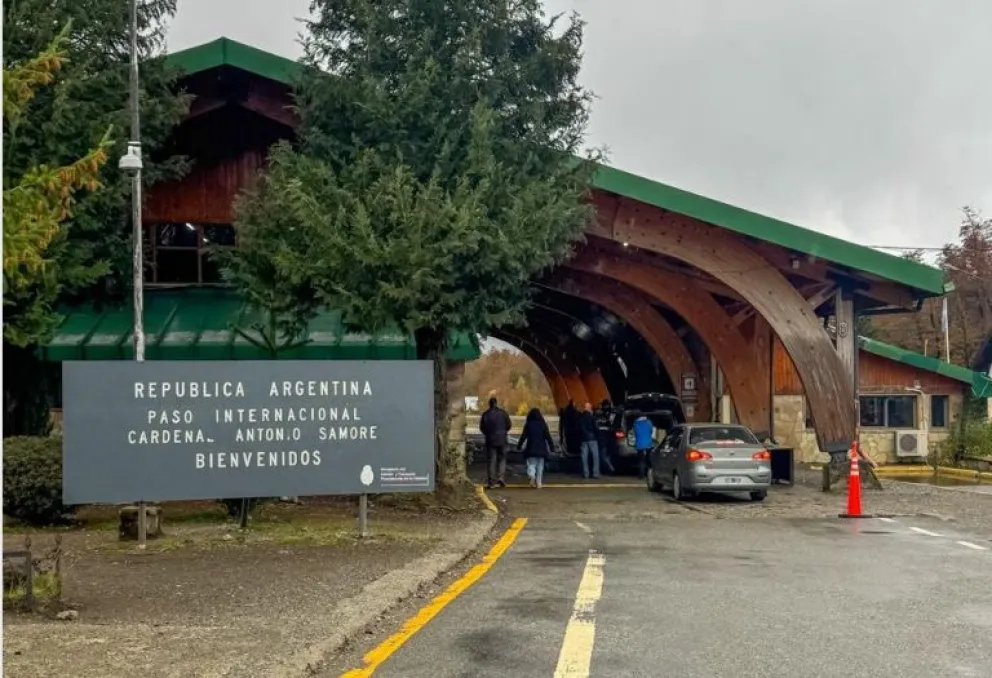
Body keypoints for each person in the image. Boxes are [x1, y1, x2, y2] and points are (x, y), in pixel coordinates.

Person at [518, 408, 555, 488]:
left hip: (531, 448)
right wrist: (552, 448)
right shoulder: (543, 424)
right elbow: (548, 437)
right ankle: (539, 483)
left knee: (531, 464)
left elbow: (523, 437)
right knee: (540, 467)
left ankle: (531, 475)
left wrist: (519, 446)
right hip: (542, 449)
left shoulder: (528, 424)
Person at [479, 397, 512, 488]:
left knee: (492, 461)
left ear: (489, 404)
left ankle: (491, 482)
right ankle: (501, 477)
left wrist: (487, 434)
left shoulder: (486, 414)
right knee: (502, 459)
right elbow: (509, 425)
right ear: (496, 403)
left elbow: (482, 427)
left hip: (490, 440)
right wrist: (503, 431)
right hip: (502, 440)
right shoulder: (503, 413)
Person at [578, 402, 601, 479]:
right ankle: (595, 473)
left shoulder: (580, 417)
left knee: (584, 457)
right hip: (592, 439)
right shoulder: (592, 417)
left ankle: (586, 473)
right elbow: (596, 428)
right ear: (589, 408)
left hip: (583, 439)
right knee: (595, 456)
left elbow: (579, 428)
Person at [594, 399, 617, 475]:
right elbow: (611, 425)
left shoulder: (600, 416)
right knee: (605, 455)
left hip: (604, 439)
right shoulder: (608, 415)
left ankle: (609, 468)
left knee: (603, 455)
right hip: (607, 438)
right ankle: (609, 467)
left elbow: (596, 427)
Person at [632, 414, 655, 479]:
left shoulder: (635, 423)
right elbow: (651, 431)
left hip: (639, 444)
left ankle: (641, 476)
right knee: (649, 459)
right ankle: (650, 474)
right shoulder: (649, 422)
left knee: (641, 460)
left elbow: (635, 433)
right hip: (648, 443)